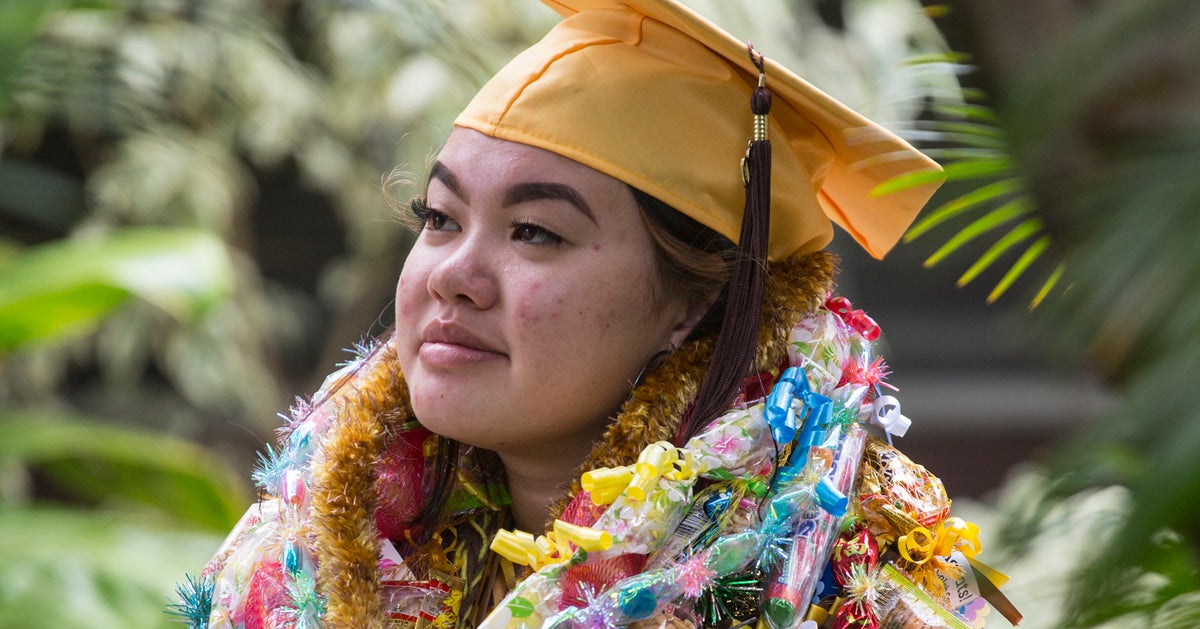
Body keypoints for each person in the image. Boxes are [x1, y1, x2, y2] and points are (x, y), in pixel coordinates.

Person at [176, 1, 1018, 628]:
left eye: (535, 231)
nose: (455, 276)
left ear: (692, 304)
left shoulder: (840, 572)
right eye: (439, 217)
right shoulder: (314, 530)